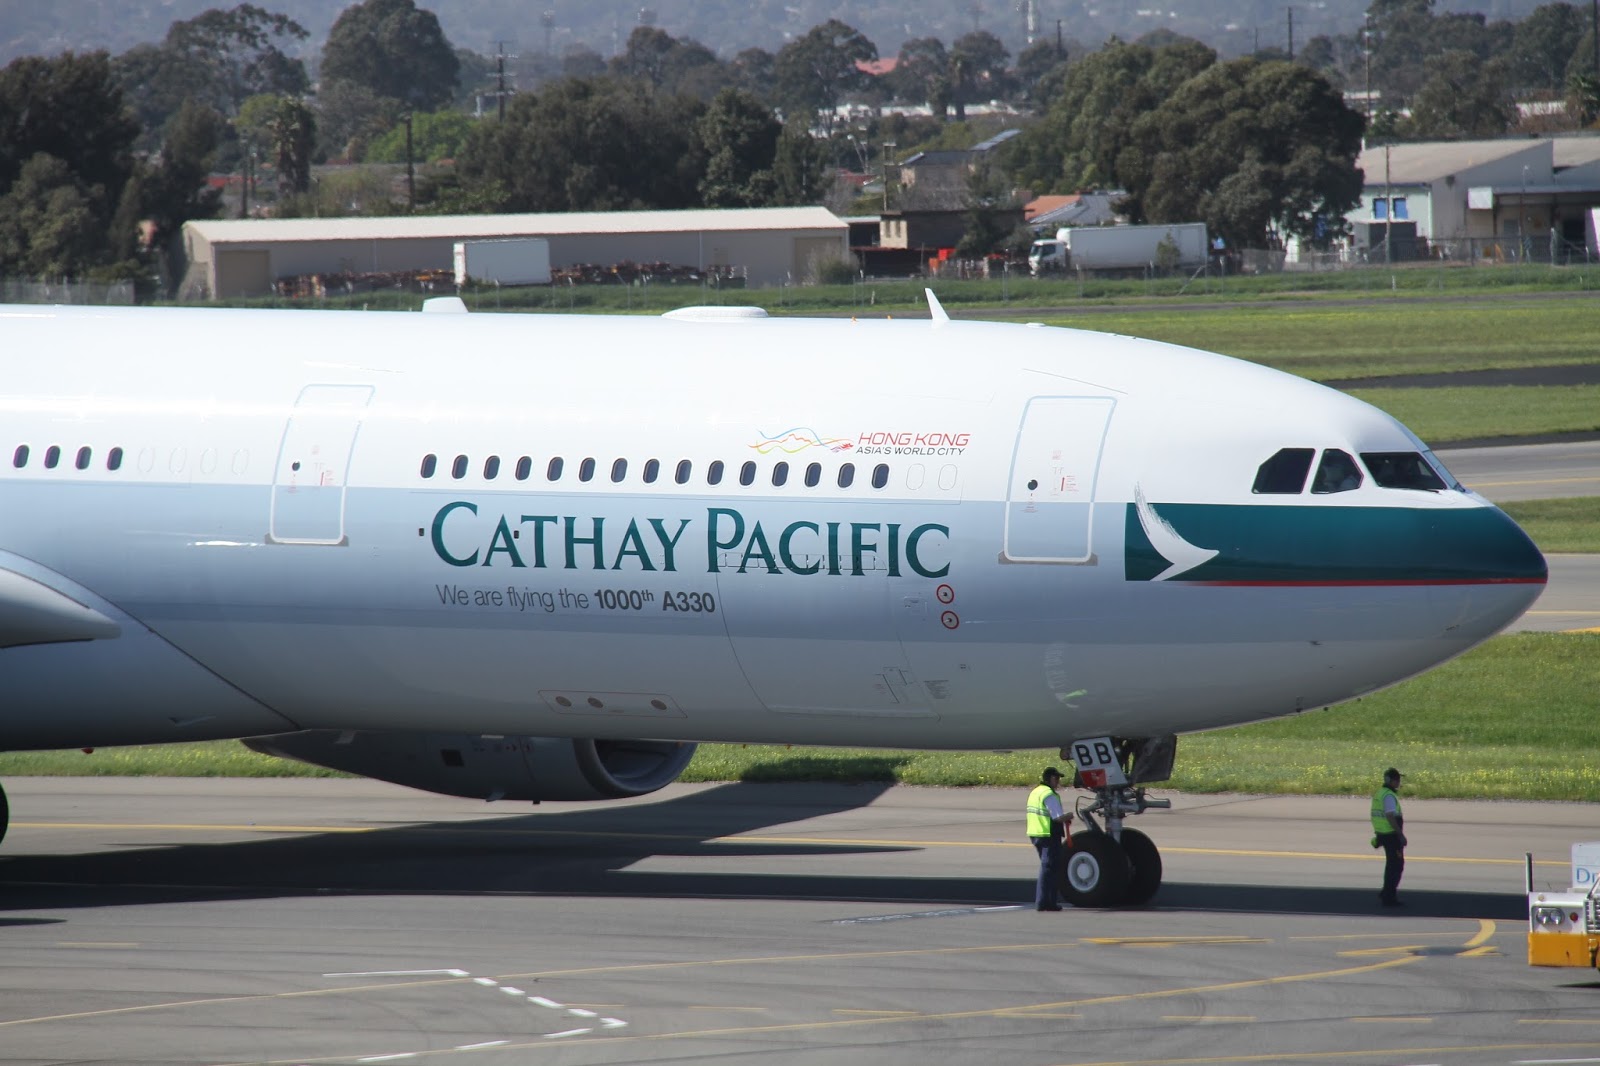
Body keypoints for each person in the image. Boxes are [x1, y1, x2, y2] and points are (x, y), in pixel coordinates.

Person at [1026, 767, 1072, 911]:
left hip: (1036, 833)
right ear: (1048, 779)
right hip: (1048, 834)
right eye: (1055, 778)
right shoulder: (1049, 795)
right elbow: (1057, 817)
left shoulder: (1036, 791)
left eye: (1058, 778)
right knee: (1049, 868)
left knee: (1048, 867)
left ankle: (1047, 901)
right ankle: (1045, 902)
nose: (1058, 781)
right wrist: (1069, 816)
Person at [1370, 767, 1406, 907]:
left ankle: (1386, 891)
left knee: (1391, 865)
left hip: (1382, 834)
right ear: (1391, 781)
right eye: (1397, 779)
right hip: (1391, 836)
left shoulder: (1380, 793)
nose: (1399, 782)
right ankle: (1389, 896)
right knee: (1396, 866)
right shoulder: (1389, 796)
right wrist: (1400, 834)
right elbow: (1390, 815)